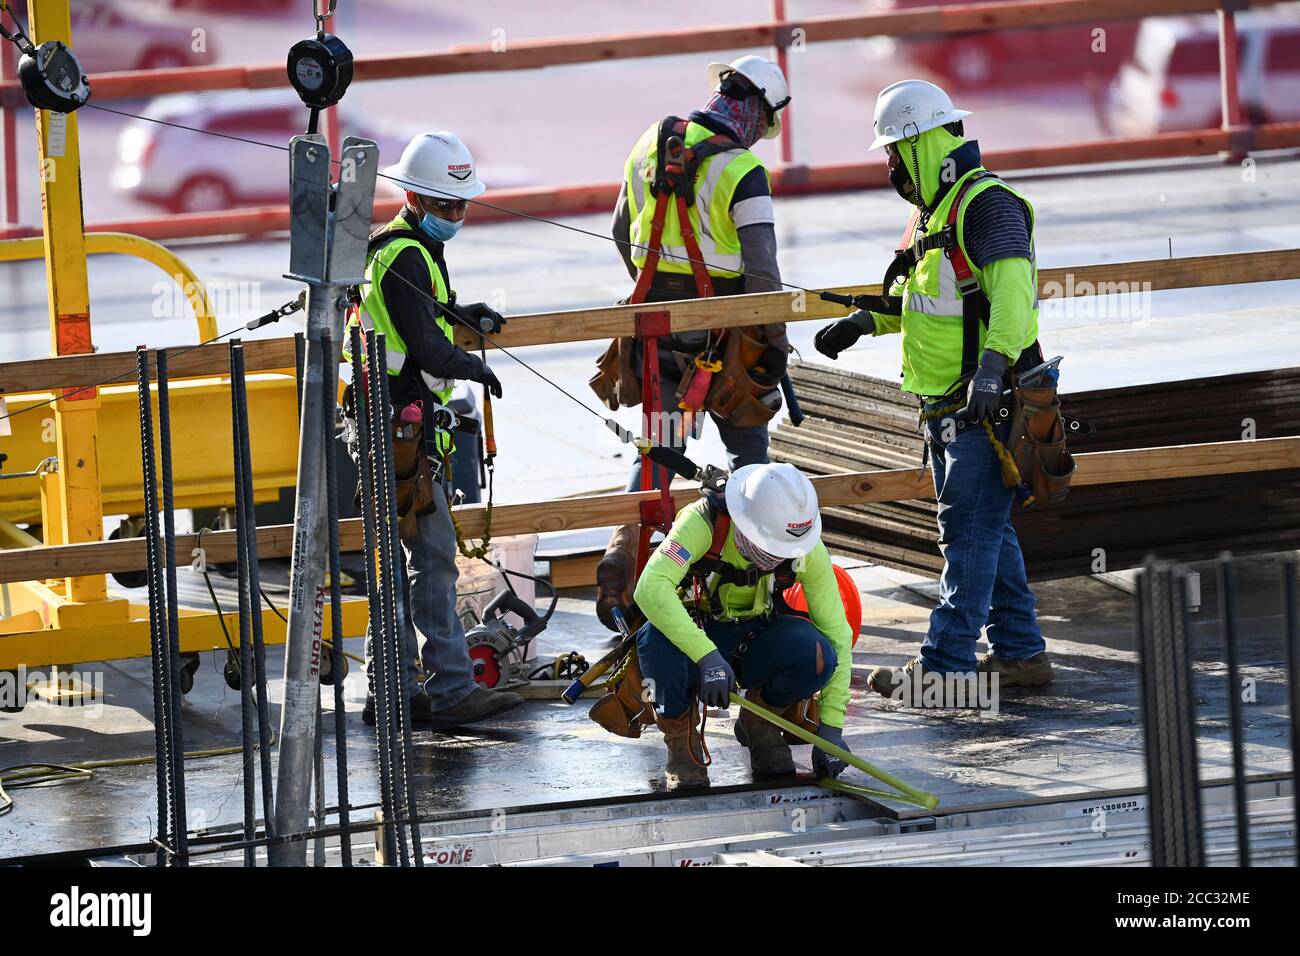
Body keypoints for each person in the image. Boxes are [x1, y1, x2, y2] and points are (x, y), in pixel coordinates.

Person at [813, 80, 1054, 704]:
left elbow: (1013, 297)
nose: (891, 166)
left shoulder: (988, 207)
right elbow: (923, 302)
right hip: (948, 405)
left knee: (968, 536)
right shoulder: (933, 216)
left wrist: (992, 369)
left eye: (895, 152)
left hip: (987, 405)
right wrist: (865, 320)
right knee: (988, 533)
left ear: (922, 142)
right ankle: (1022, 654)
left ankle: (944, 667)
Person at [594, 55, 794, 630]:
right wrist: (771, 343)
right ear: (756, 110)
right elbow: (762, 270)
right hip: (727, 338)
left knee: (657, 450)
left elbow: (617, 230)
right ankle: (749, 579)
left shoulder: (646, 147)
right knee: (748, 455)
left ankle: (623, 558)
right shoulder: (743, 169)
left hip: (656, 335)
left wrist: (656, 286)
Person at [345, 130, 523, 730]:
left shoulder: (406, 249)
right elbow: (425, 346)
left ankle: (396, 692)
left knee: (402, 565)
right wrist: (475, 367)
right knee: (428, 562)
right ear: (416, 199)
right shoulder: (404, 254)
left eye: (462, 205)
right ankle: (445, 690)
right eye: (446, 205)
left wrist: (464, 316)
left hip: (394, 429)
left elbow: (424, 316)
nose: (457, 215)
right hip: (397, 432)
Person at [633, 463, 853, 790]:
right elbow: (649, 588)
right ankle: (681, 742)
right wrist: (706, 656)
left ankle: (760, 722)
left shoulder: (805, 546)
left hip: (755, 640)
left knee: (817, 653)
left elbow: (838, 633)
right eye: (772, 548)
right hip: (695, 638)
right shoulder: (701, 523)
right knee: (654, 639)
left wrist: (832, 730)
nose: (779, 557)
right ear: (745, 523)